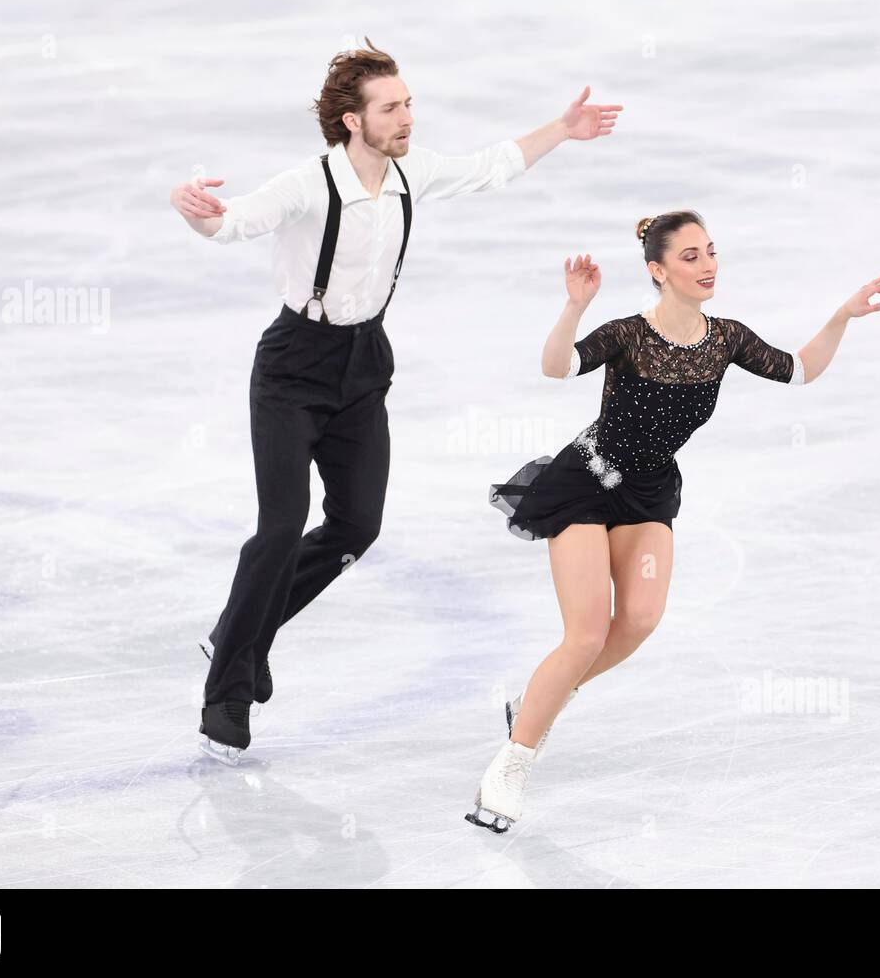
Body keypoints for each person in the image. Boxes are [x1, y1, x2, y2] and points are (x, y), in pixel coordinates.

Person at [168, 38, 623, 764]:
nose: (407, 116)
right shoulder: (306, 185)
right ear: (353, 121)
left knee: (357, 524)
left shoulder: (411, 175)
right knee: (281, 526)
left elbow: (490, 167)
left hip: (363, 365)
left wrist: (561, 130)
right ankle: (226, 691)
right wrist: (195, 211)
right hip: (292, 367)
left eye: (408, 103)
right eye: (391, 108)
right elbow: (231, 223)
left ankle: (241, 628)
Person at [467, 210, 880, 832]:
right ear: (657, 271)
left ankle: (536, 700)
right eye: (691, 256)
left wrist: (842, 315)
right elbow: (555, 368)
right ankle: (511, 765)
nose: (708, 266)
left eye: (711, 252)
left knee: (639, 620)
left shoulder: (725, 339)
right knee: (586, 633)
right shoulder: (627, 334)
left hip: (647, 494)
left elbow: (799, 370)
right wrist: (574, 308)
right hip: (587, 482)